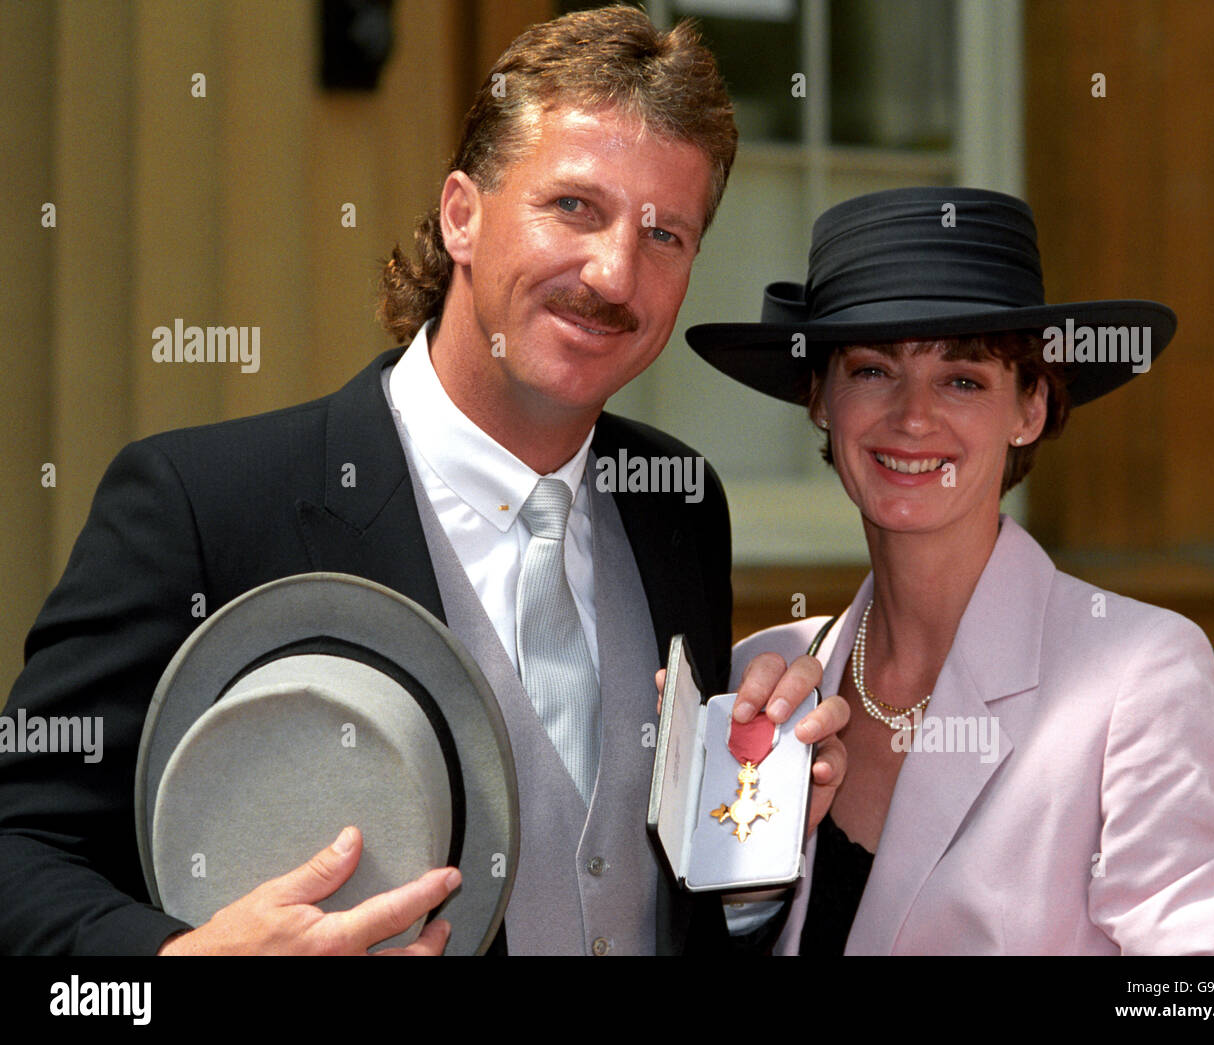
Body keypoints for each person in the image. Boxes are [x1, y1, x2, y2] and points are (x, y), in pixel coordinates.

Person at [0, 6, 845, 957]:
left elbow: (665, 897)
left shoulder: (679, 504)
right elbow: (21, 852)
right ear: (462, 215)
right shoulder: (202, 507)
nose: (614, 273)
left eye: (665, 236)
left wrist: (753, 860)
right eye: (573, 207)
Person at [685, 186, 1214, 955]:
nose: (913, 415)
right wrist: (745, 893)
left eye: (963, 378)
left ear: (1030, 407)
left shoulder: (1142, 678)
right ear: (820, 399)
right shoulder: (761, 685)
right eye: (872, 370)